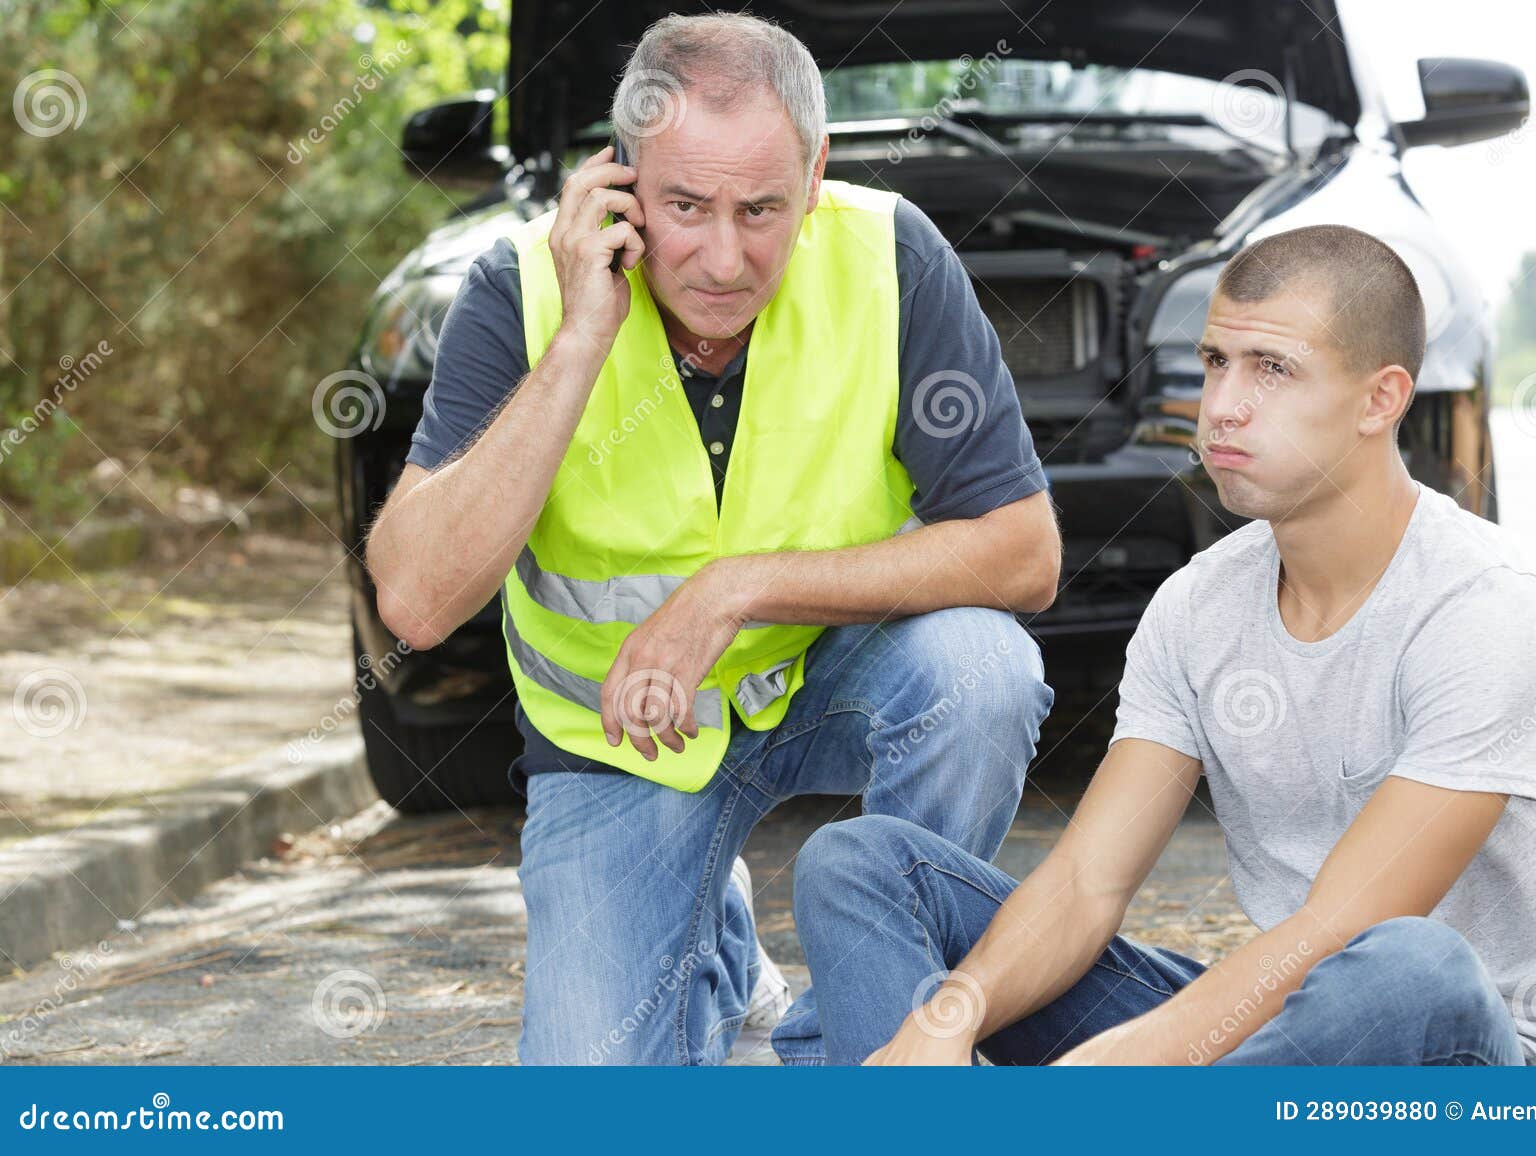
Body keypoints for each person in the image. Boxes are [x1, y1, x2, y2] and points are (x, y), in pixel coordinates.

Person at [364, 11, 1060, 1065]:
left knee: (984, 671)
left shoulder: (887, 253)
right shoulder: (522, 288)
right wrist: (582, 336)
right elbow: (415, 600)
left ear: (816, 173)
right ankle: (720, 946)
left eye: (762, 208)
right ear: (621, 178)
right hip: (617, 745)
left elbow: (1025, 552)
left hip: (820, 680)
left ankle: (866, 1022)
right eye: (684, 206)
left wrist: (733, 590)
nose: (725, 258)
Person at [791, 223, 1536, 1066]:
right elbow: (1085, 884)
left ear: (1380, 399)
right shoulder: (1198, 604)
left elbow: (1340, 929)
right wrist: (952, 1014)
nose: (1223, 406)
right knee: (861, 865)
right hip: (1281, 1041)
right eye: (1217, 361)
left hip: (1492, 1072)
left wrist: (1120, 1071)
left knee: (1409, 965)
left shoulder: (1491, 612)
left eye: (1273, 369)